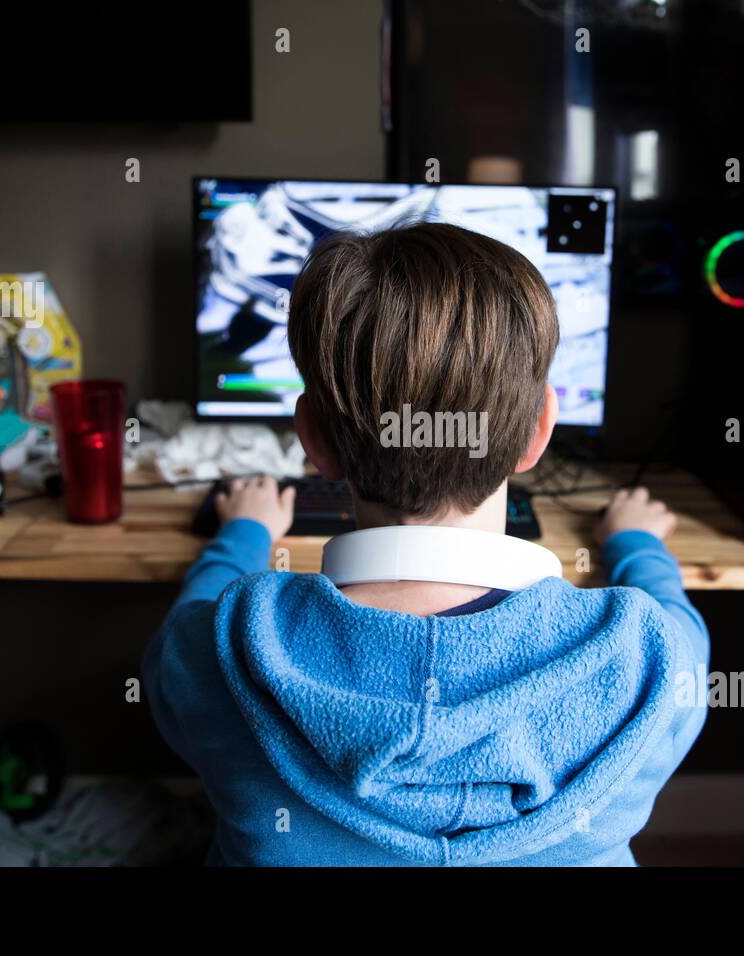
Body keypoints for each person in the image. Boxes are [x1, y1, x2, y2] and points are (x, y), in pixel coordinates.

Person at [143, 222, 709, 865]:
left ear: (313, 440)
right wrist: (637, 544)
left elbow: (172, 656)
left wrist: (242, 534)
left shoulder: (221, 650)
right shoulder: (650, 662)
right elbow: (686, 635)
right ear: (539, 431)